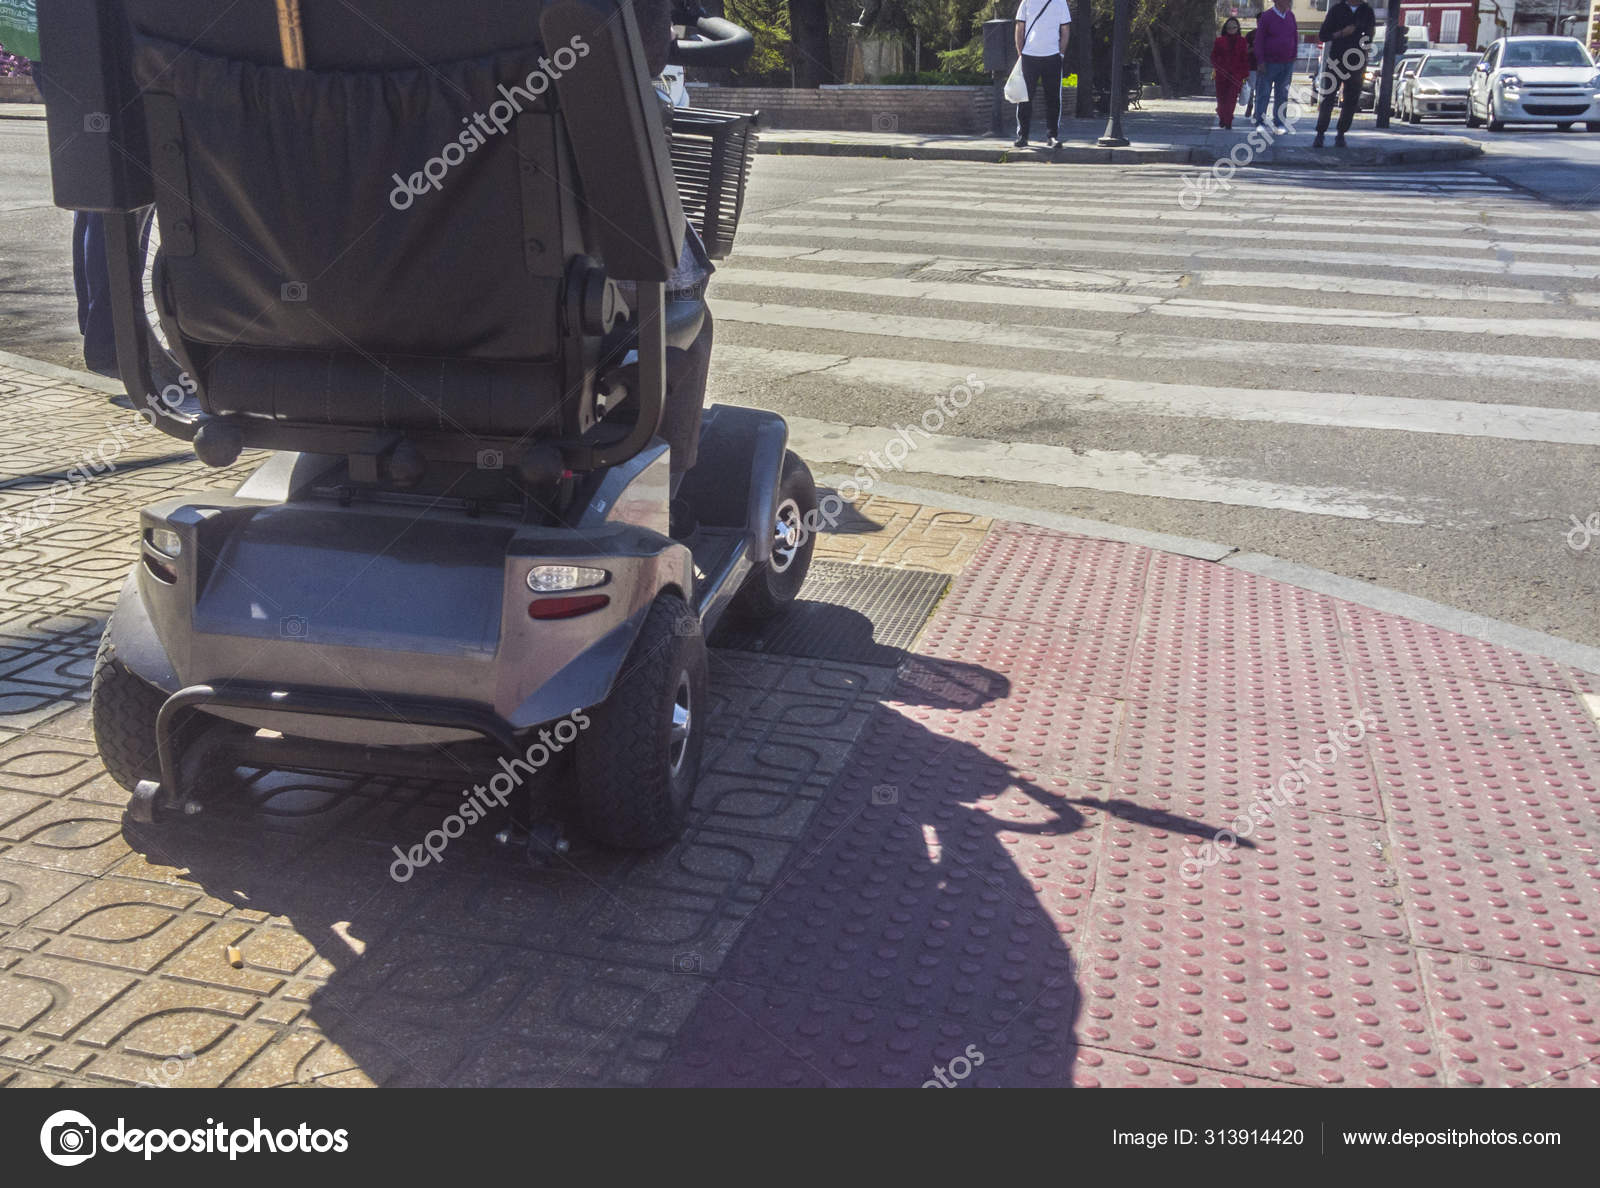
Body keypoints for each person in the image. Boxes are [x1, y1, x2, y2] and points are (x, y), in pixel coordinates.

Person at [1313, 0, 1374, 147]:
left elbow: (1370, 36)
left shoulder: (1367, 11)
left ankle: (1341, 133)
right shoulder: (1337, 10)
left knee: (1351, 100)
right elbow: (1323, 35)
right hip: (1336, 60)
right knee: (1328, 97)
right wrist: (1341, 33)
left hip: (1356, 62)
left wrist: (1364, 43)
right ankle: (1320, 133)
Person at [1012, 0, 1072, 149]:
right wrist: (1021, 53)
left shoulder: (1060, 2)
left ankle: (1052, 136)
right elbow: (1020, 27)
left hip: (1052, 56)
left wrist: (1061, 54)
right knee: (1024, 98)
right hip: (1029, 56)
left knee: (1053, 99)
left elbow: (1065, 29)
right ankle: (1023, 136)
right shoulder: (1027, 2)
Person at [1253, 0, 1297, 133]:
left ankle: (1279, 123)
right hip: (1269, 62)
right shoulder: (1267, 16)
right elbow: (1259, 40)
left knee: (1282, 94)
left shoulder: (1291, 16)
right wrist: (1260, 60)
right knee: (1263, 93)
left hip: (1287, 62)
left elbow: (1294, 36)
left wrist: (1294, 55)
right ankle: (1259, 122)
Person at [1211, 17, 1251, 130]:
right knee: (1221, 100)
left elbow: (1244, 58)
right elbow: (1213, 56)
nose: (1232, 29)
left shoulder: (1242, 41)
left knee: (1231, 99)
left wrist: (1245, 73)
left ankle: (1228, 121)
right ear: (1226, 28)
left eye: (1234, 27)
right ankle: (1222, 117)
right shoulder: (1219, 41)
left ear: (1237, 28)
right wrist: (1218, 66)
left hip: (1236, 75)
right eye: (1229, 27)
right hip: (1222, 75)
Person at [1241, 26, 1258, 118]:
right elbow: (1244, 51)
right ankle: (1250, 105)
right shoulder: (1251, 34)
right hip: (1252, 66)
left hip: (1266, 68)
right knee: (1251, 89)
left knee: (1262, 91)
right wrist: (1254, 49)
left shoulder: (1270, 34)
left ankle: (1258, 110)